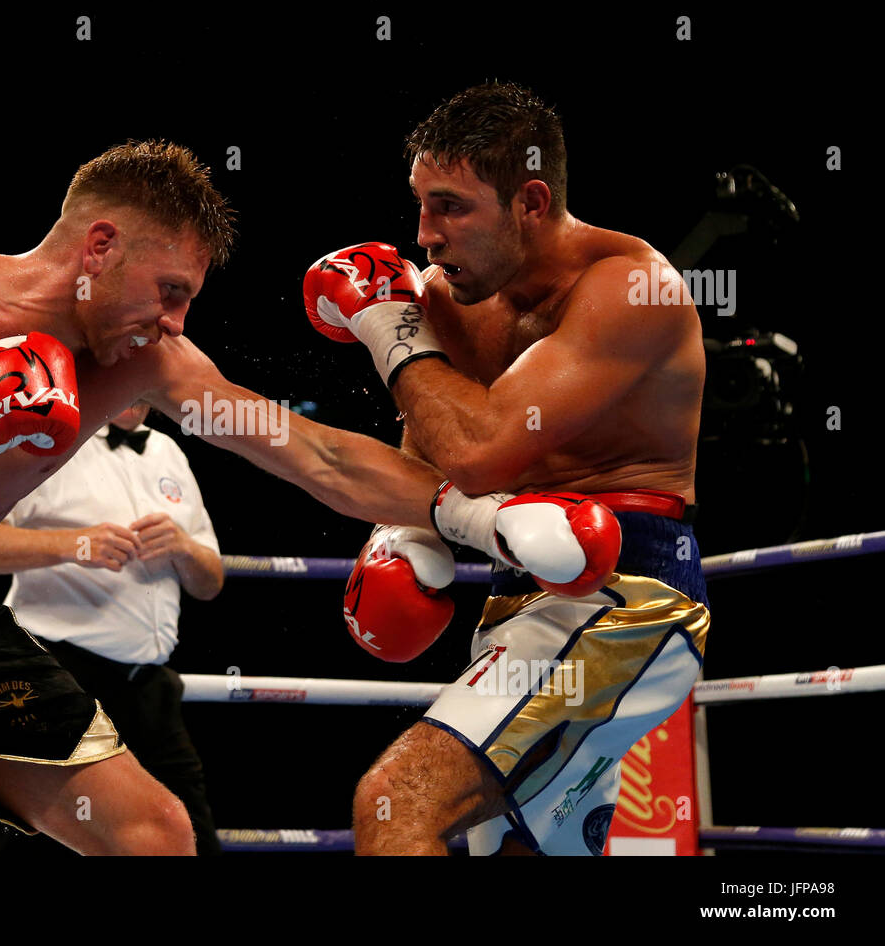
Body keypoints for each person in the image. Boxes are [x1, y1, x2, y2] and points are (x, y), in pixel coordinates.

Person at [0, 139, 582, 856]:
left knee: (154, 834)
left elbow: (314, 457)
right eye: (168, 289)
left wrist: (477, 517)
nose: (175, 322)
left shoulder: (145, 363)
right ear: (99, 245)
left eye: (190, 301)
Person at [304, 82, 711, 856]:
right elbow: (427, 457)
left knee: (395, 803)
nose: (425, 235)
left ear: (530, 200)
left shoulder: (632, 287)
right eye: (420, 205)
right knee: (509, 850)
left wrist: (389, 330)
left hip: (627, 593)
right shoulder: (457, 300)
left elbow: (482, 450)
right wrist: (400, 541)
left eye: (451, 206)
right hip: (515, 594)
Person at [0, 401, 225, 856]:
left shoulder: (169, 452)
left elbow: (210, 583)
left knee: (189, 831)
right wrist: (73, 544)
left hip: (148, 684)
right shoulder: (46, 445)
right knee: (35, 836)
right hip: (59, 674)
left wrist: (184, 549)